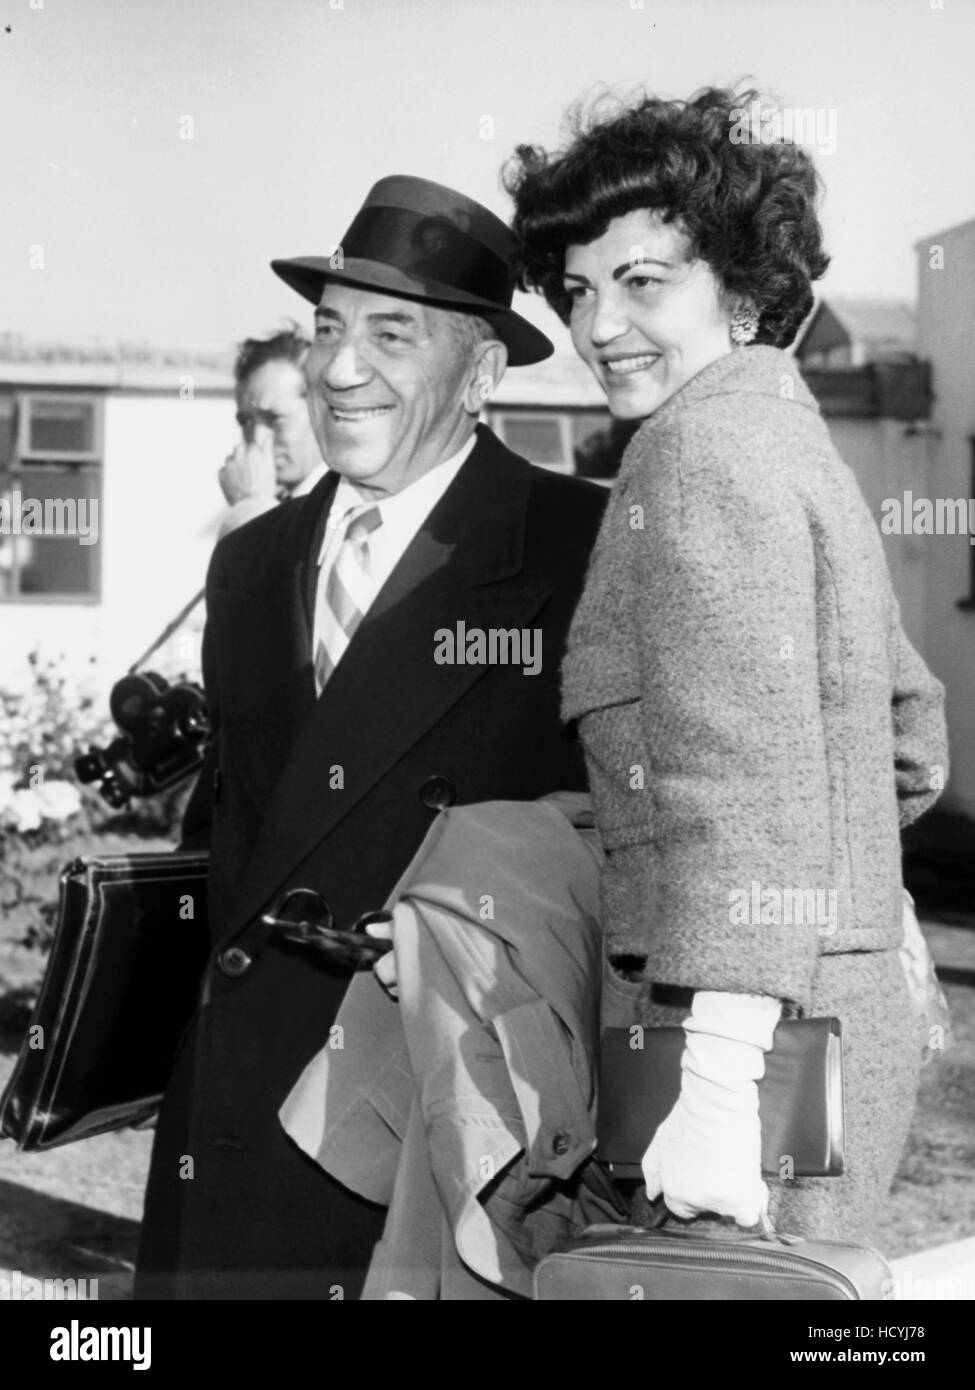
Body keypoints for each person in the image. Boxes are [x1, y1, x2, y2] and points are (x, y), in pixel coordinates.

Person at [134, 174, 608, 1299]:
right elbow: (231, 836)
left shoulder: (578, 548)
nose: (340, 370)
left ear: (481, 373)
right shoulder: (250, 562)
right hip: (238, 1113)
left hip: (434, 1121)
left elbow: (638, 839)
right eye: (326, 329)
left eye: (391, 334)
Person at [505, 87, 949, 1240]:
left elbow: (740, 784)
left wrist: (713, 1080)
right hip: (810, 1009)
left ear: (744, 293)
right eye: (578, 291)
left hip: (738, 1041)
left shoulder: (696, 454)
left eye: (643, 282)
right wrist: (850, 900)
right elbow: (910, 742)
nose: (600, 325)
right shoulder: (784, 437)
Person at [218, 324, 327, 537]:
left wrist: (250, 505)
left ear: (320, 410)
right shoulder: (284, 502)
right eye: (246, 422)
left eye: (274, 419)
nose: (258, 439)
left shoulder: (341, 503)